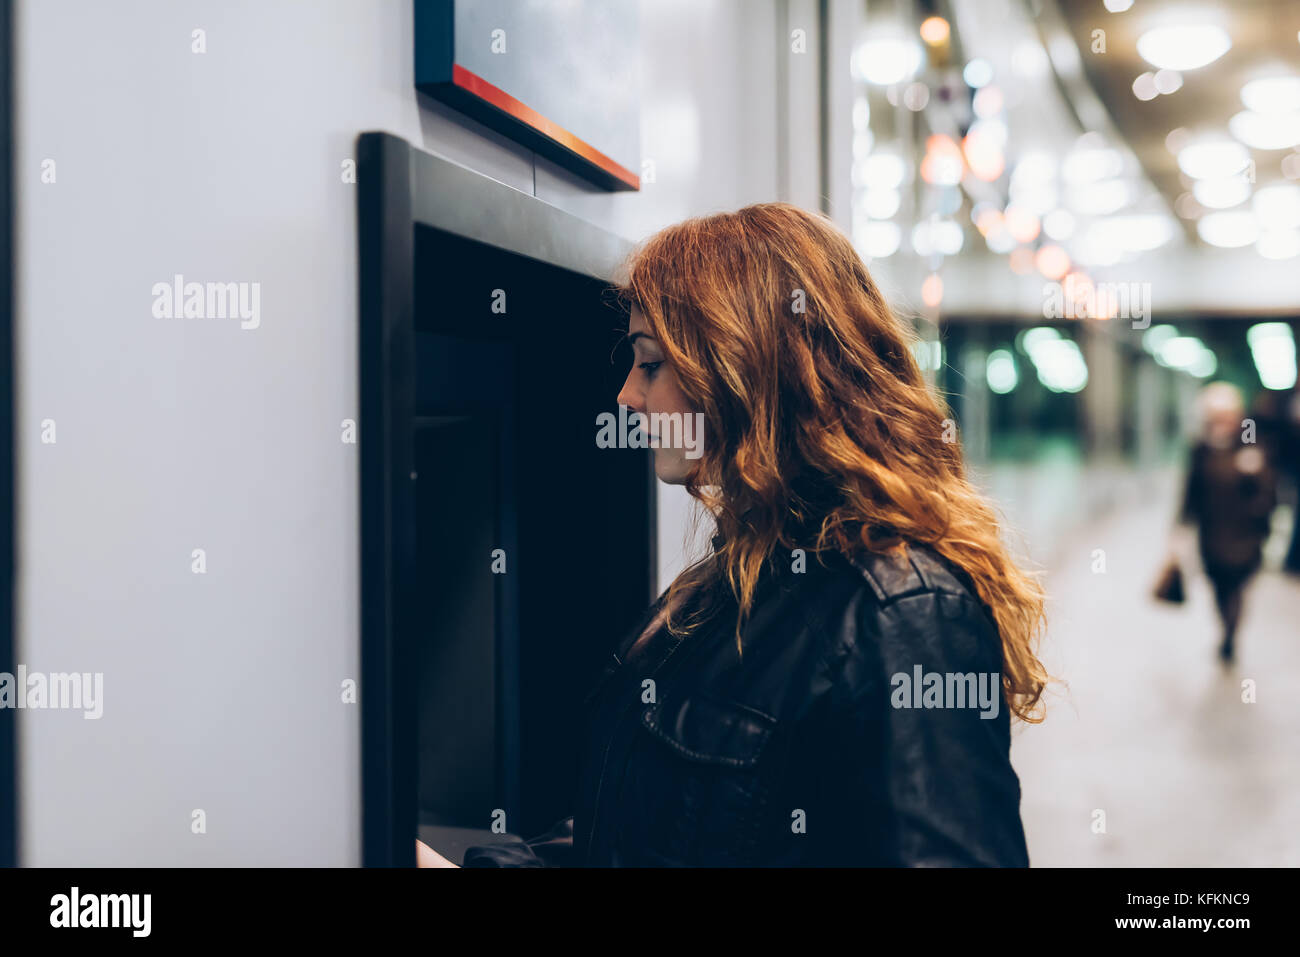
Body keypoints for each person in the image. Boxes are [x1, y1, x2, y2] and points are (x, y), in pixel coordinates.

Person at [418, 202, 1050, 867]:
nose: (626, 397)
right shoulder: (731, 582)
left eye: (650, 363)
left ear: (743, 368)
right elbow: (641, 836)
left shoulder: (903, 612)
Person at [1174, 381, 1278, 665]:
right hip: (1212, 530)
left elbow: (1269, 490)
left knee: (1238, 583)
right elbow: (1191, 489)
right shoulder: (1201, 448)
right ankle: (1227, 626)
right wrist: (1181, 525)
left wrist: (1255, 473)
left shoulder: (1251, 442)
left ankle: (1231, 632)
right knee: (1219, 583)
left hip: (1246, 531)